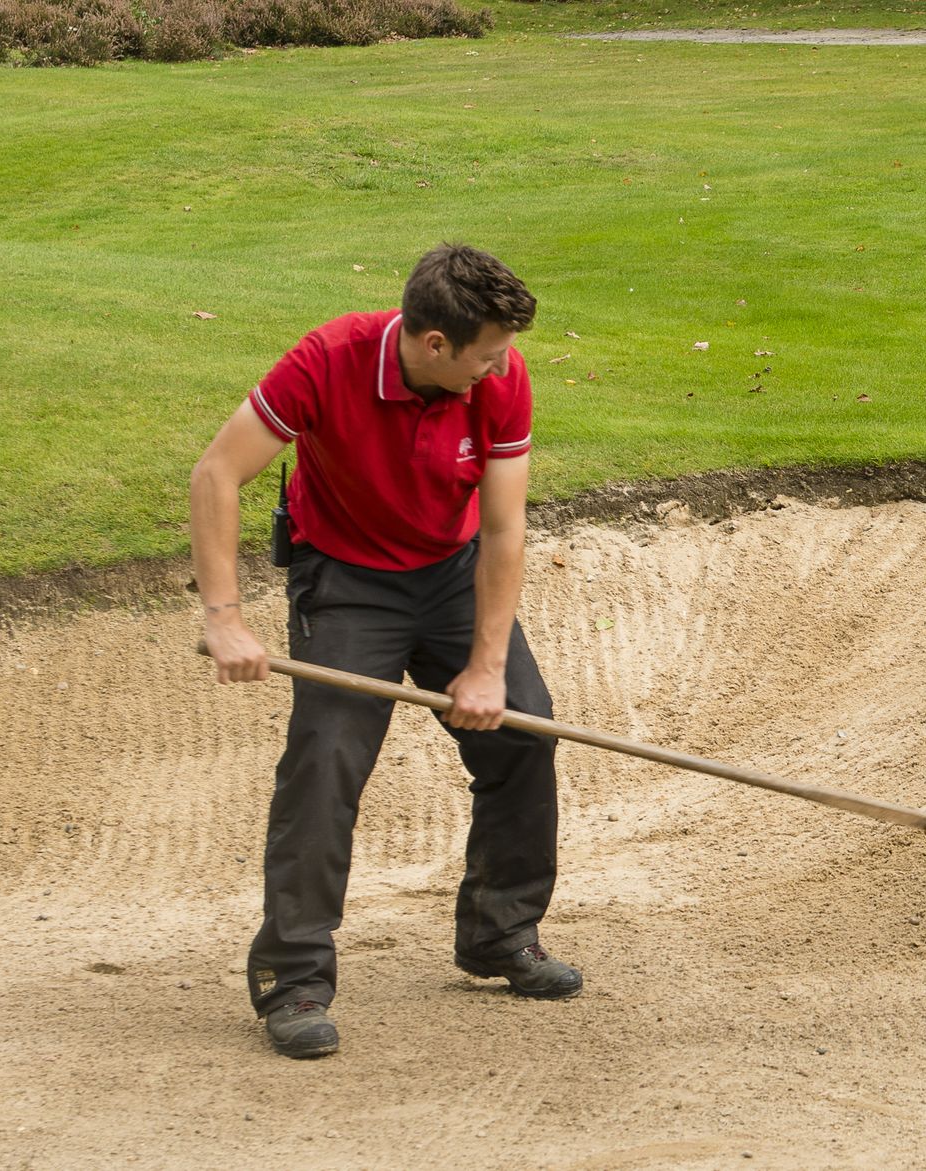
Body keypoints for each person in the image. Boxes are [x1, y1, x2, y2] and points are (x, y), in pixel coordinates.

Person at [189, 243, 581, 1060]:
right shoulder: (326, 360)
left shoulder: (500, 380)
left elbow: (504, 530)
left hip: (450, 571)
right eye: (485, 354)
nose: (499, 368)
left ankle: (498, 933)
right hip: (347, 578)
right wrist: (224, 617)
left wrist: (482, 665)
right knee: (326, 754)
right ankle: (293, 976)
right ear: (433, 344)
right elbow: (218, 474)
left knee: (526, 726)